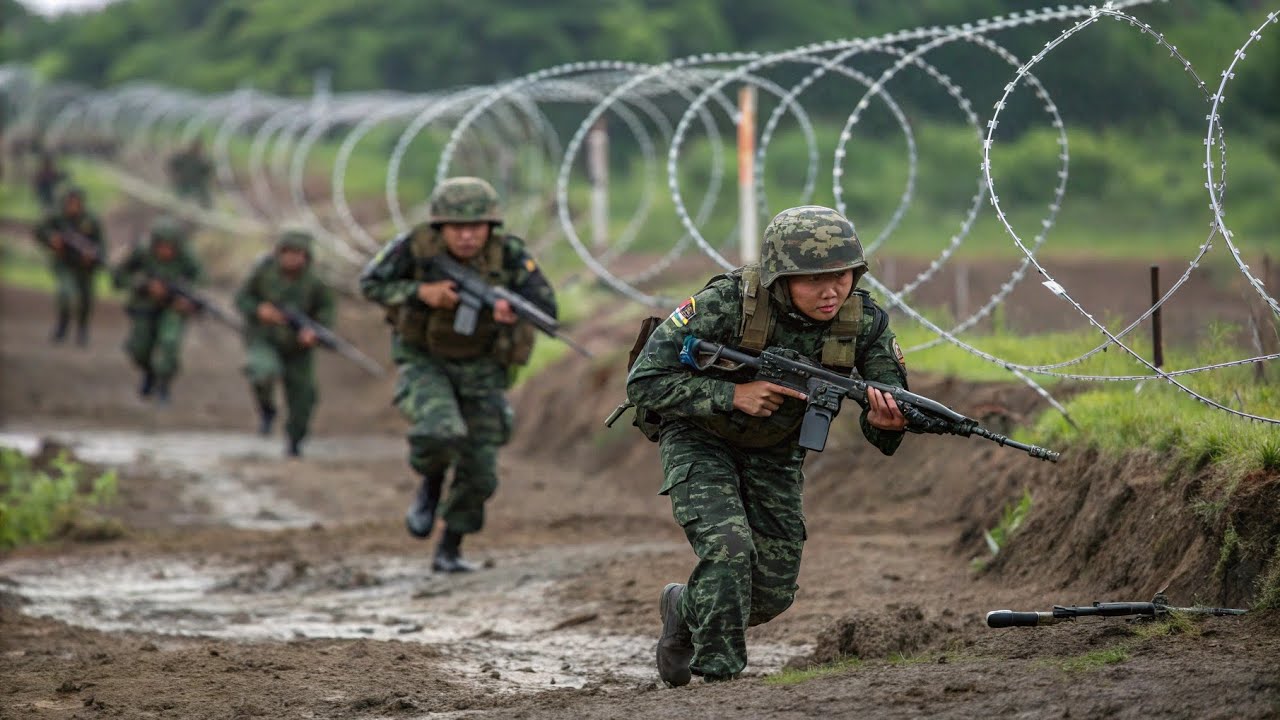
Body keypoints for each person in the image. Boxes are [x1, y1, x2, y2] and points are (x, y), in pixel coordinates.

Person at [626, 205, 910, 686]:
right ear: (780, 278)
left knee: (772, 592)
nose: (830, 290)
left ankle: (682, 607)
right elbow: (645, 382)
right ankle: (721, 680)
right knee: (730, 550)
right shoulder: (724, 303)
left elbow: (883, 418)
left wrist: (889, 422)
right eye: (812, 278)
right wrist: (731, 394)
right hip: (701, 438)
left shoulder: (864, 323)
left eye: (841, 275)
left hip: (776, 451)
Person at [359, 176, 557, 573]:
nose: (467, 236)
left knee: (480, 472)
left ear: (491, 227)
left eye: (476, 227)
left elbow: (547, 308)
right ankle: (430, 484)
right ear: (440, 227)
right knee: (439, 429)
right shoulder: (414, 247)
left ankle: (450, 547)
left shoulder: (511, 255)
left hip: (484, 369)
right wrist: (420, 293)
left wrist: (512, 312)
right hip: (425, 360)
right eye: (456, 227)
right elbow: (371, 283)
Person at [234, 228, 335, 458]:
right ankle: (267, 410)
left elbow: (327, 312)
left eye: (297, 253)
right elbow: (242, 299)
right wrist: (260, 310)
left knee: (304, 396)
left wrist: (314, 332)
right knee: (262, 372)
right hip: (265, 339)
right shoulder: (263, 273)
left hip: (298, 348)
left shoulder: (316, 282)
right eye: (287, 253)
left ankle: (295, 441)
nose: (292, 258)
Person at [112, 216, 204, 405]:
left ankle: (164, 385)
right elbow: (118, 277)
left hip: (173, 308)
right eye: (161, 246)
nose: (166, 251)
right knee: (139, 349)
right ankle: (149, 373)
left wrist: (188, 301)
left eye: (170, 246)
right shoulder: (141, 252)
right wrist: (144, 285)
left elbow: (201, 284)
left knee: (169, 343)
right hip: (145, 306)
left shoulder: (188, 258)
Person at [32, 185, 105, 346]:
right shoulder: (57, 217)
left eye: (76, 202)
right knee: (66, 293)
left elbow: (101, 245)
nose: (73, 206)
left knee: (86, 299)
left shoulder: (91, 220)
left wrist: (93, 255)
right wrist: (51, 238)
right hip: (64, 263)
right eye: (70, 202)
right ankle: (62, 326)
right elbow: (39, 230)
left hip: (84, 268)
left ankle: (82, 330)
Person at [167, 139, 213, 208]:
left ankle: (206, 208)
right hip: (183, 183)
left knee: (205, 197)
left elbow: (207, 172)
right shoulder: (183, 157)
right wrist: (175, 176)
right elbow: (172, 164)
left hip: (196, 184)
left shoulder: (200, 161)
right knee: (177, 197)